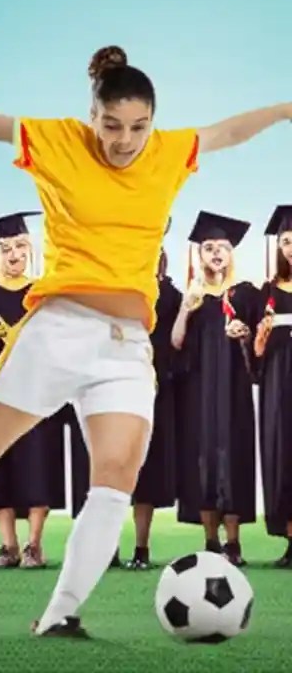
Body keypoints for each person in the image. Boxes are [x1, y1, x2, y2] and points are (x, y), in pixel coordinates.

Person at [0, 44, 292, 636]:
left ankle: (60, 614)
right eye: (112, 125)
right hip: (56, 333)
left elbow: (232, 130)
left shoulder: (168, 153)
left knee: (116, 475)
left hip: (127, 347)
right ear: (93, 116)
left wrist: (287, 109)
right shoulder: (56, 141)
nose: (125, 140)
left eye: (138, 127)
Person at [0, 212, 68, 570]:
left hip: (36, 394)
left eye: (20, 247)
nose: (13, 255)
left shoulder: (43, 293)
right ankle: (8, 545)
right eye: (6, 248)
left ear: (30, 250)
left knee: (37, 465)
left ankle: (33, 545)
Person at [170, 211, 259, 567]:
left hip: (234, 391)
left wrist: (247, 334)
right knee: (203, 461)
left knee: (233, 457)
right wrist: (185, 310)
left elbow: (259, 347)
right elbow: (176, 341)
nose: (216, 253)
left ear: (232, 253)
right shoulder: (193, 296)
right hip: (198, 392)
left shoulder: (247, 294)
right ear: (199, 256)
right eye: (209, 248)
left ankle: (234, 544)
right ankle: (209, 541)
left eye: (222, 247)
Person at [123, 243, 183, 569]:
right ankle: (104, 550)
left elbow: (176, 344)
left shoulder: (170, 296)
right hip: (115, 390)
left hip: (153, 391)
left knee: (144, 473)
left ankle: (141, 548)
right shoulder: (116, 293)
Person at [255, 204, 292, 566]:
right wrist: (259, 341)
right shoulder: (268, 291)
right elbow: (257, 351)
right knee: (283, 454)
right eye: (285, 241)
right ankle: (291, 539)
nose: (291, 246)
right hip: (279, 382)